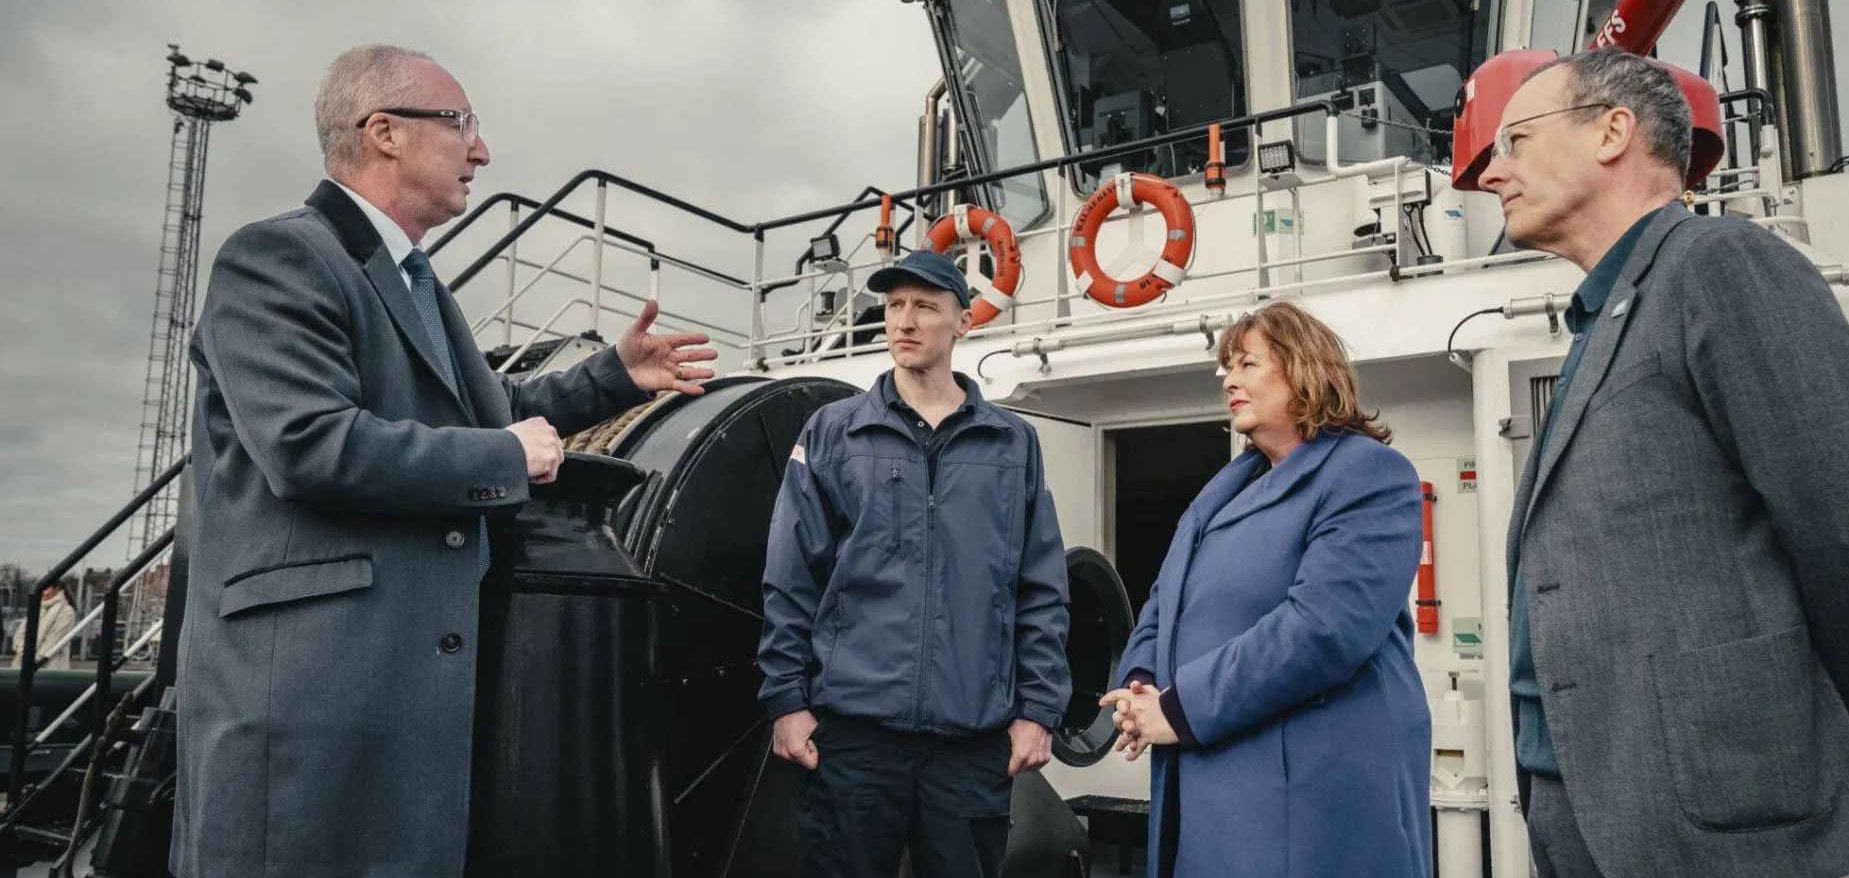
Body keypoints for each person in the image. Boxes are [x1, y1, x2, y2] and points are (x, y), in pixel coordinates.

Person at [170, 45, 717, 878]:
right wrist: (503, 456)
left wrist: (613, 376)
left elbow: (487, 408)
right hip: (313, 704)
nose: (481, 150)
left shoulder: (416, 282)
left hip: (401, 701)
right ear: (385, 132)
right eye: (461, 124)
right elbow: (308, 443)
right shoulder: (279, 257)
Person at [1479, 46, 1849, 877]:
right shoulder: (1608, 315)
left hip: (1710, 810)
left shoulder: (1721, 264)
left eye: (1515, 141)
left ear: (1613, 132)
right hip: (1591, 798)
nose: (1490, 173)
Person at [757, 248, 1071, 878]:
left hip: (971, 744)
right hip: (855, 738)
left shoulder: (1012, 442)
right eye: (895, 305)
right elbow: (791, 576)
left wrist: (1039, 711)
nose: (904, 321)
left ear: (964, 322)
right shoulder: (834, 432)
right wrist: (787, 701)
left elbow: (1040, 587)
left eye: (925, 306)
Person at [1099, 301, 1431, 878]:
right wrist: (1141, 682)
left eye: (1247, 364)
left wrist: (1177, 709)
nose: (1229, 380)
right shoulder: (1225, 489)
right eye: (1228, 367)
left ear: (1304, 371)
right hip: (1213, 776)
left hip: (1308, 787)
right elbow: (1165, 598)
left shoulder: (1369, 474)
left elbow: (1322, 629)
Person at [10, 584, 76, 670]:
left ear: (57, 589)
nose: (43, 592)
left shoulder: (66, 611)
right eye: (41, 589)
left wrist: (36, 658)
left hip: (49, 663)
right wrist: (21, 650)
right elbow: (21, 632)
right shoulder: (37, 608)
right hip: (24, 661)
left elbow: (56, 638)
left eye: (46, 589)